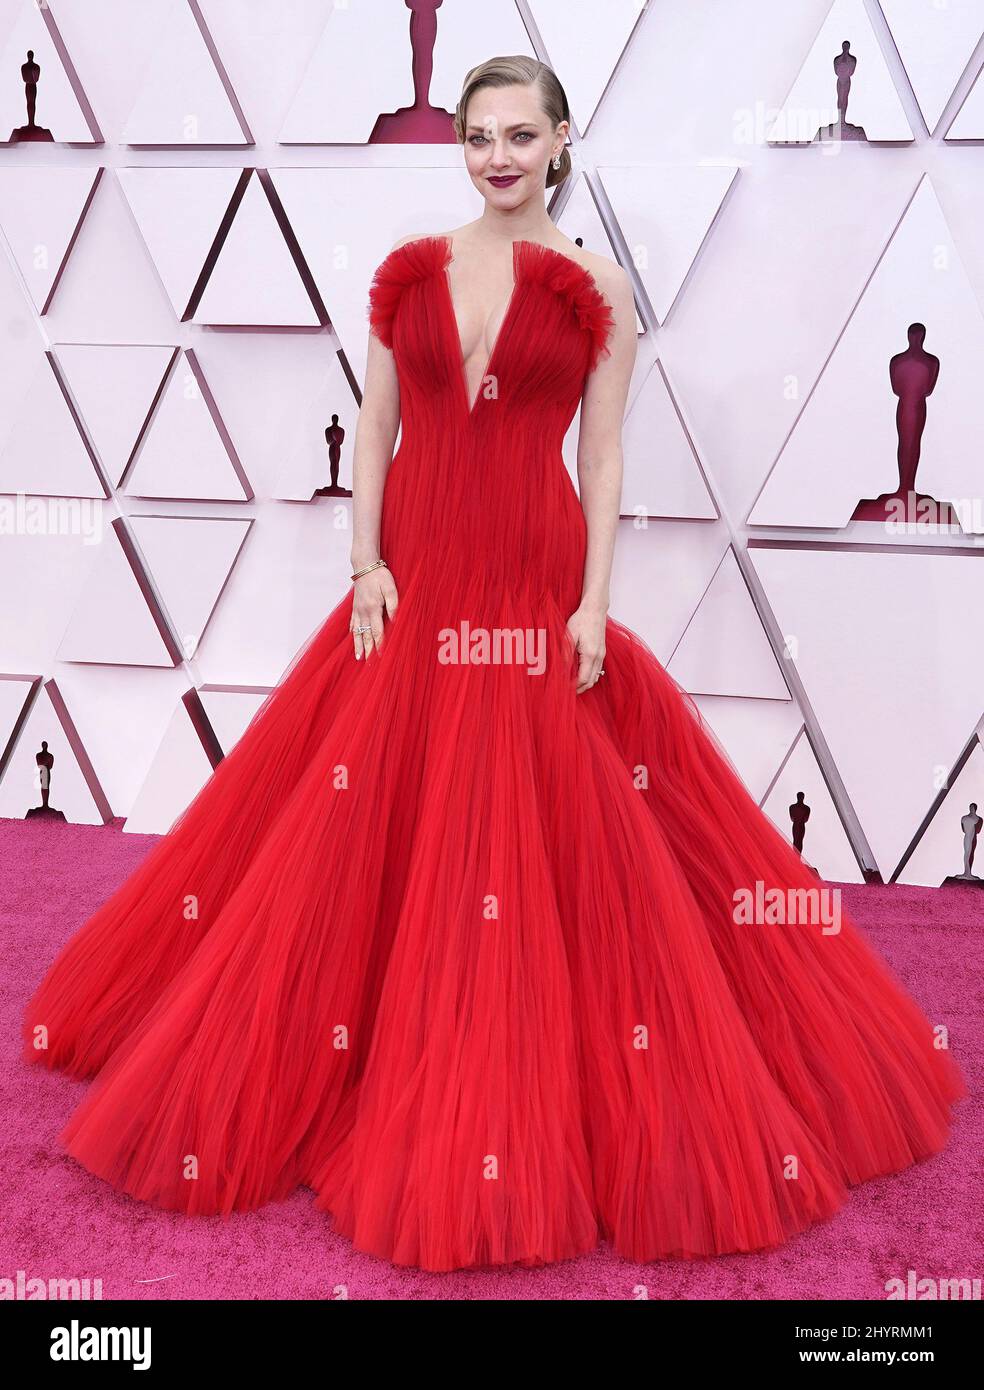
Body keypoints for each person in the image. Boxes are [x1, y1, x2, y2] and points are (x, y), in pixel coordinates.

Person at [21, 55, 966, 1274]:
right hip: (416, 573)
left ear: (563, 140)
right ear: (460, 146)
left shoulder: (600, 287)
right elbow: (375, 425)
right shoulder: (414, 268)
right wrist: (364, 563)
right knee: (359, 820)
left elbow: (608, 456)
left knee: (533, 825)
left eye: (521, 134)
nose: (498, 155)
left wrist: (592, 607)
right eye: (478, 135)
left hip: (529, 569)